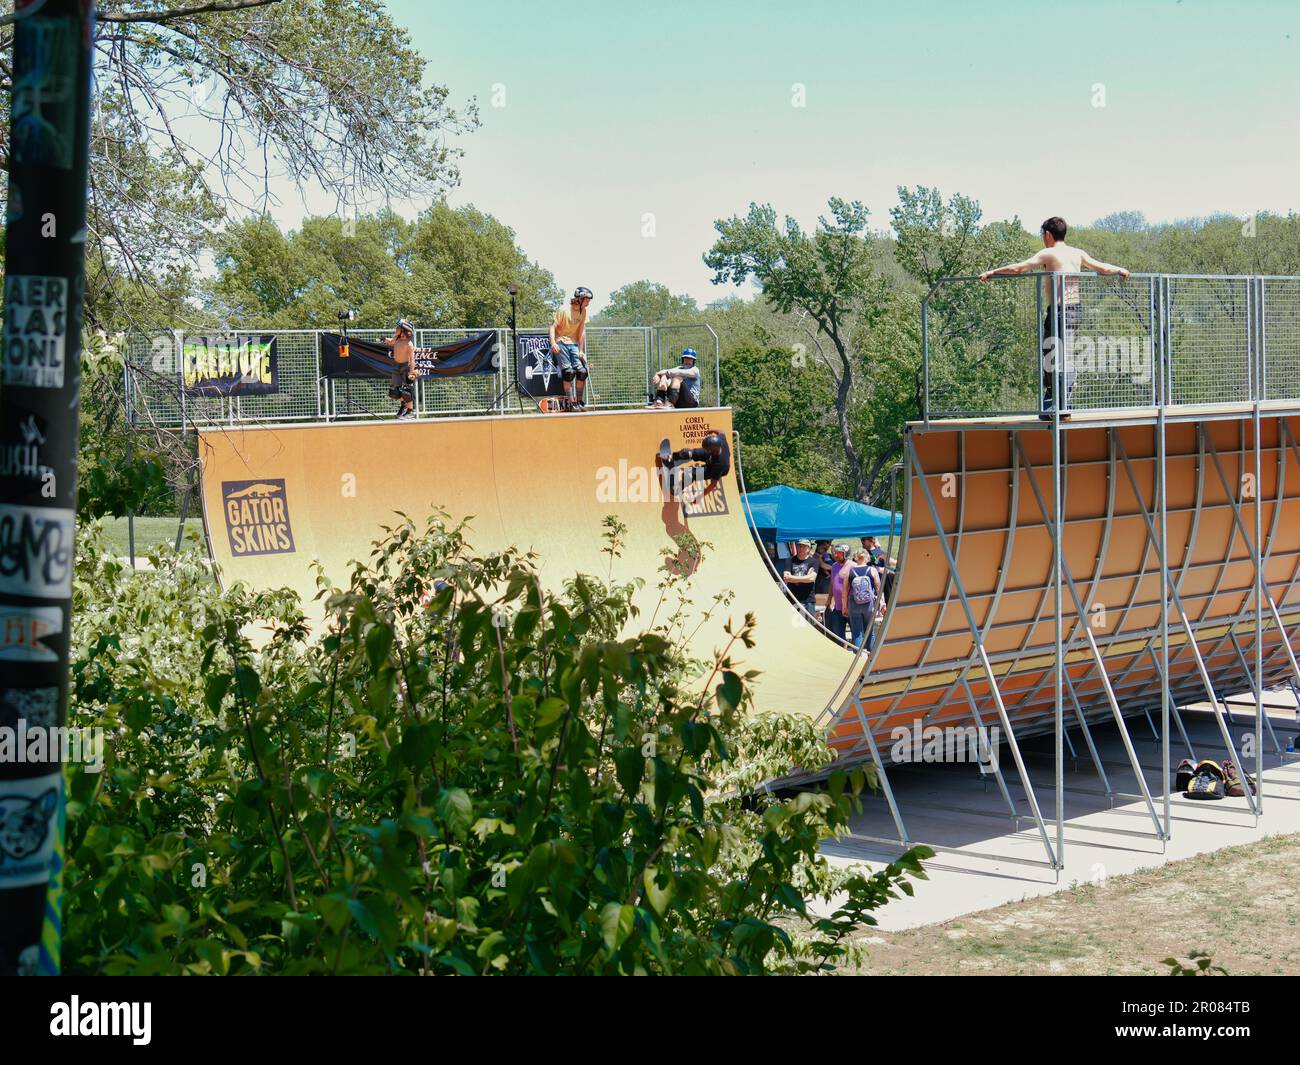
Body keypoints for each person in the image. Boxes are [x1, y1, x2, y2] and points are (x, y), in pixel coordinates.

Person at [979, 216, 1129, 419]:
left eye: (1043, 235)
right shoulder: (1077, 253)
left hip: (1060, 310)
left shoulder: (1049, 253)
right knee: (1059, 354)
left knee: (1052, 356)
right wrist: (1119, 270)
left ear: (1048, 234)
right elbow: (1102, 268)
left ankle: (1061, 402)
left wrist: (992, 272)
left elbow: (1019, 268)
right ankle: (1057, 404)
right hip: (1076, 310)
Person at [549, 287, 593, 410]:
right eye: (586, 301)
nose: (588, 303)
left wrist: (581, 350)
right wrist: (553, 343)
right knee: (568, 373)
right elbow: (552, 326)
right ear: (579, 299)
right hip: (561, 342)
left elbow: (582, 331)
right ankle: (570, 402)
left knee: (582, 372)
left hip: (574, 344)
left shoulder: (583, 311)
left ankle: (578, 401)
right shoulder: (563, 310)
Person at [846, 548, 883, 651]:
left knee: (857, 632)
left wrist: (844, 606)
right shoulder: (872, 570)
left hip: (854, 604)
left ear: (856, 558)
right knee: (870, 632)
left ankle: (858, 656)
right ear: (866, 558)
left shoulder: (850, 571)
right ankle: (872, 656)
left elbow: (845, 591)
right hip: (869, 605)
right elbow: (879, 589)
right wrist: (881, 603)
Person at [380, 318, 417, 420]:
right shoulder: (396, 338)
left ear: (404, 330)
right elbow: (391, 342)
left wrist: (411, 373)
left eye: (398, 327)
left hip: (406, 367)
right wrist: (384, 339)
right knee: (395, 391)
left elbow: (412, 359)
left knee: (406, 391)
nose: (396, 329)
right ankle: (403, 405)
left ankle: (410, 412)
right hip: (396, 365)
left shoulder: (409, 344)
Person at [780, 539, 820, 616]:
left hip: (808, 600)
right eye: (799, 546)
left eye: (804, 546)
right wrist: (806, 577)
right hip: (792, 599)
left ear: (809, 549)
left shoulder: (814, 562)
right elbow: (786, 578)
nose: (801, 548)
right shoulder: (789, 560)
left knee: (808, 623)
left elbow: (812, 579)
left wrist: (792, 578)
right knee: (793, 622)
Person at [824, 544, 851, 641]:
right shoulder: (834, 566)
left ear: (845, 554)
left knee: (856, 633)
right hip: (837, 607)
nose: (836, 555)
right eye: (835, 553)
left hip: (850, 607)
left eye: (839, 553)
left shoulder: (853, 566)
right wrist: (829, 599)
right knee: (838, 635)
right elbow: (832, 584)